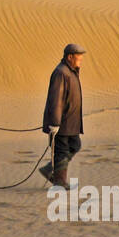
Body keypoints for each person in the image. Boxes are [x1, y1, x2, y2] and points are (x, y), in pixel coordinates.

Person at [40, 43, 84, 188]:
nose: (81, 59)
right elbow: (56, 100)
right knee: (61, 150)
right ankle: (59, 180)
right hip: (62, 123)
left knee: (75, 145)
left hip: (71, 123)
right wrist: (54, 123)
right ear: (70, 57)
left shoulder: (71, 71)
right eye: (78, 56)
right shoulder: (61, 73)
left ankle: (50, 169)